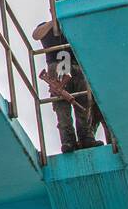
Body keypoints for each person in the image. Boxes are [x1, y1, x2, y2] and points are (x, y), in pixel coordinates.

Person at [32, 17, 102, 153]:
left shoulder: (73, 25)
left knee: (84, 102)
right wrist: (54, 21)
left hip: (77, 67)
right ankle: (68, 141)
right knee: (61, 106)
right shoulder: (46, 26)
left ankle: (86, 138)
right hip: (56, 68)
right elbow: (36, 35)